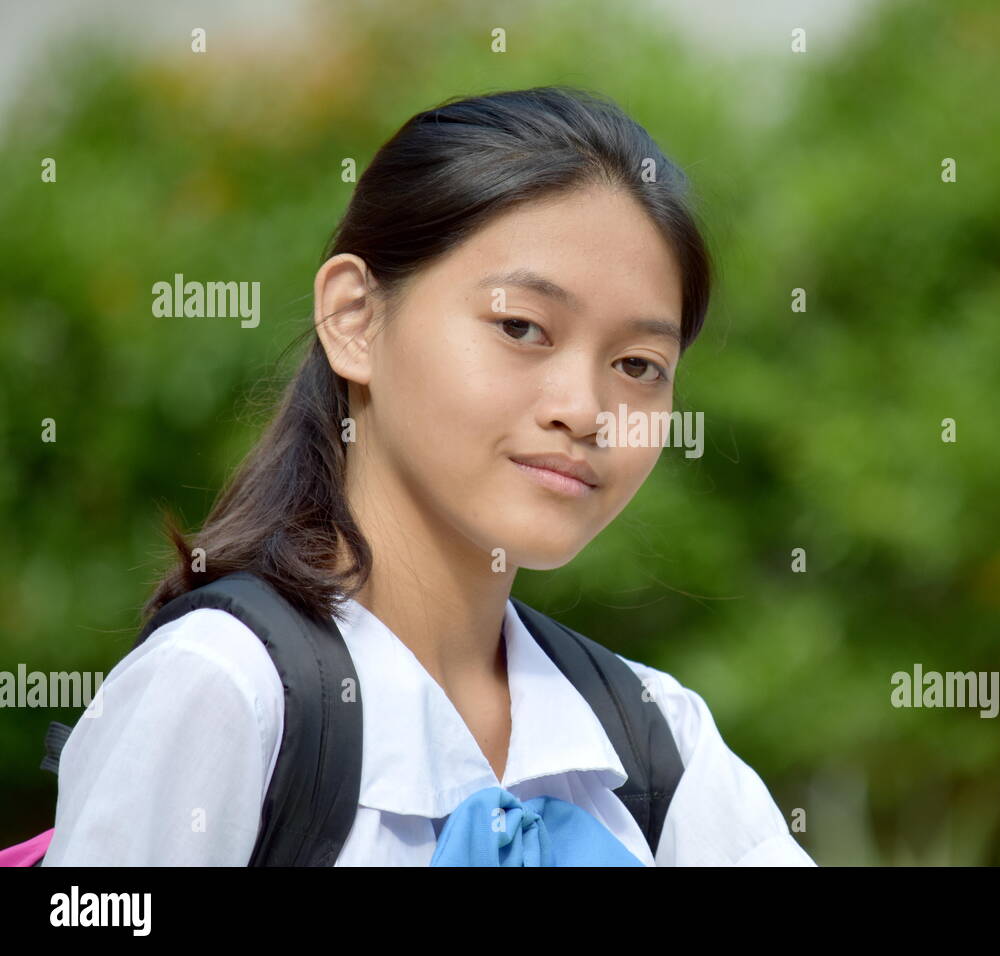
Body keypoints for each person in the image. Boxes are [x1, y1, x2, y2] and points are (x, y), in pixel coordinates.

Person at [41, 85, 816, 866]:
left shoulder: (657, 745)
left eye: (638, 365)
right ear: (354, 317)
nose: (585, 410)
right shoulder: (224, 691)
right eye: (521, 327)